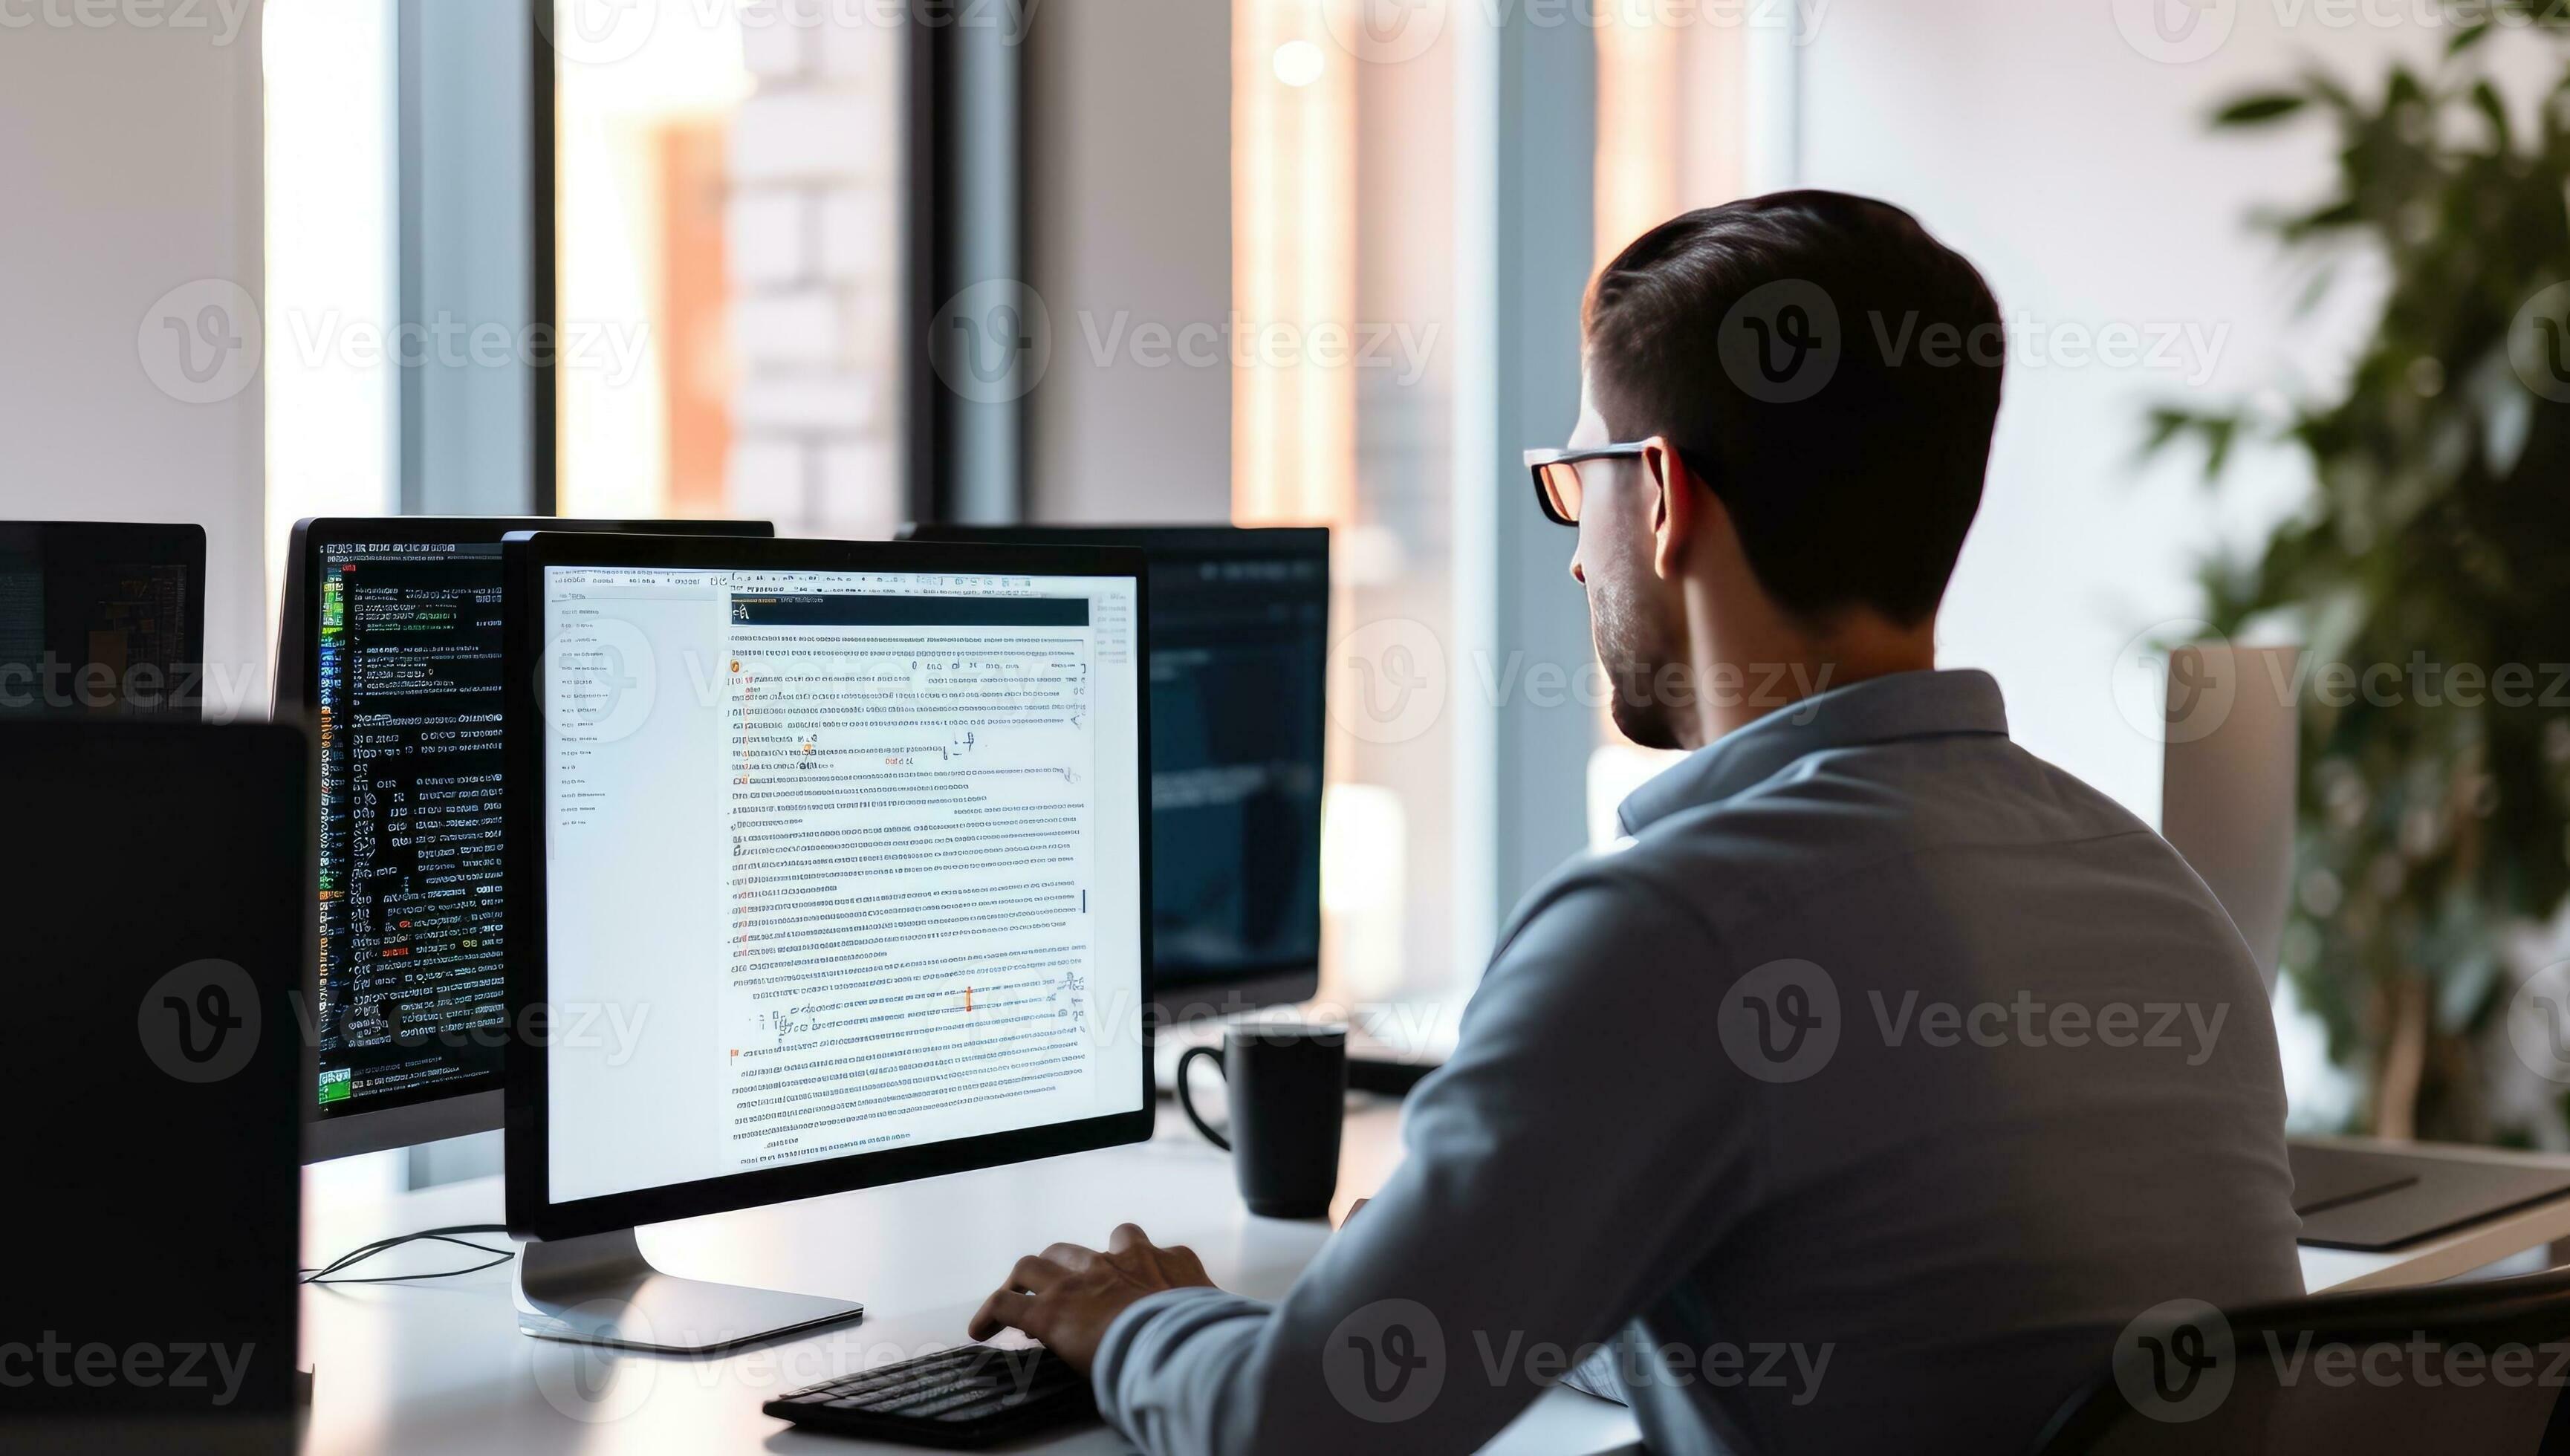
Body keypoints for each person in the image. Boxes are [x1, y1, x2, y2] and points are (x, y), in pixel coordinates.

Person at [967, 190, 2304, 1455]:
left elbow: (1299, 1426)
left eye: (1574, 480)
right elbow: (1875, 1310)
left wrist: (1130, 1319)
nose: (1571, 551)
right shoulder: (2153, 890)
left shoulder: (1676, 926)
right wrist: (1544, 1279)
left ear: (1661, 497)